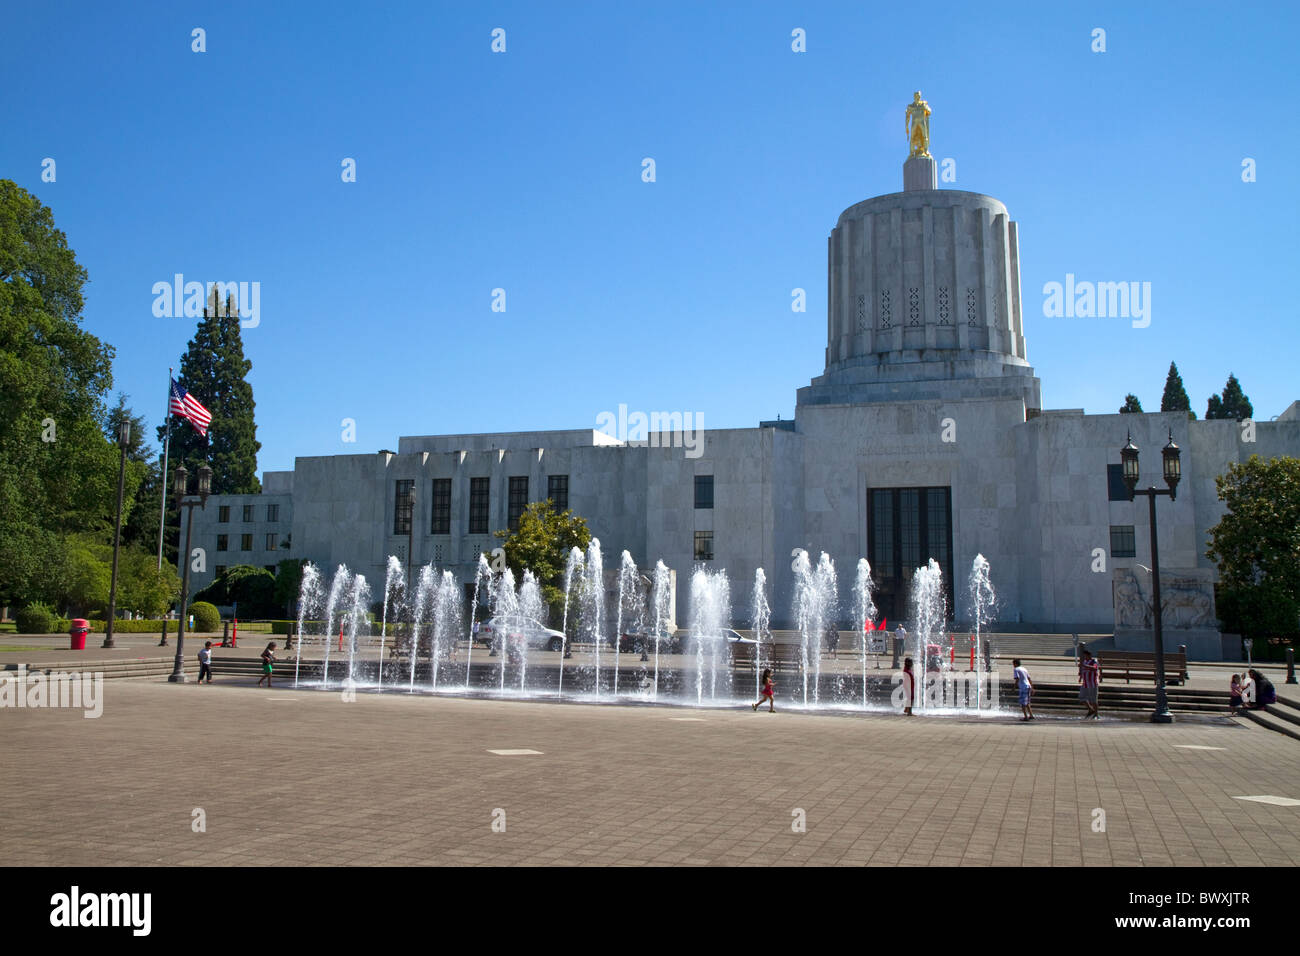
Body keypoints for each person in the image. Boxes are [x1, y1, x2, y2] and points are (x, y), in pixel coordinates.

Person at [1078, 648, 1100, 719]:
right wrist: (1080, 676)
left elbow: (1094, 668)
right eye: (1084, 656)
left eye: (1086, 655)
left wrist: (1084, 666)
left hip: (1093, 683)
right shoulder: (1084, 661)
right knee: (1081, 697)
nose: (1085, 657)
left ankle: (1096, 714)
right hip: (1085, 683)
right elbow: (1082, 671)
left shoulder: (1094, 661)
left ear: (1089, 655)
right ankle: (1090, 709)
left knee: (1093, 700)